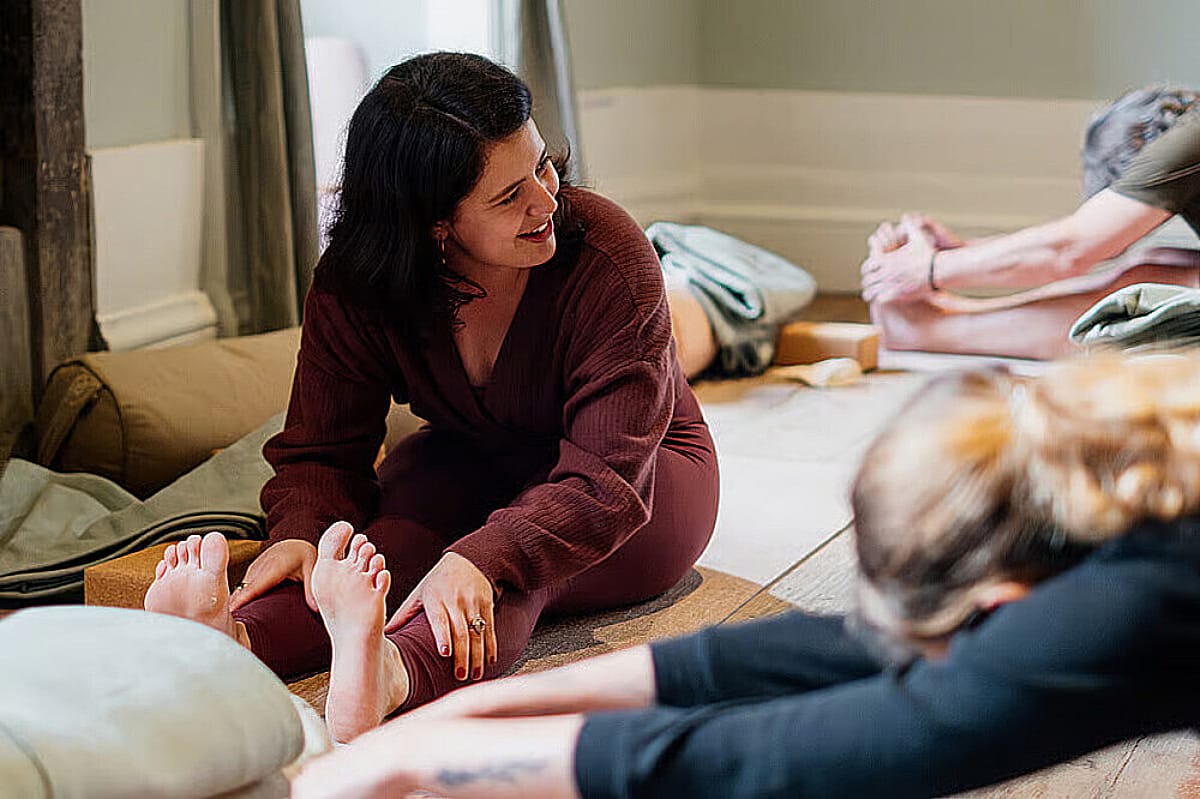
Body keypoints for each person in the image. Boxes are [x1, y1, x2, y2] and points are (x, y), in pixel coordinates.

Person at [290, 351, 1200, 798]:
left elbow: (753, 761)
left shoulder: (1123, 610)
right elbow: (821, 654)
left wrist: (416, 756)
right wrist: (461, 712)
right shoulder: (1113, 500)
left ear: (1004, 602)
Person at [142, 52, 719, 743]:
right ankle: (231, 645)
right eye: (509, 197)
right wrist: (301, 528)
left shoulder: (609, 255)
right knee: (366, 555)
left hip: (640, 481)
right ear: (433, 225)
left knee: (510, 573)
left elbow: (605, 482)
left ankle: (389, 672)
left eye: (542, 166)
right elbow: (323, 447)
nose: (546, 201)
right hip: (471, 457)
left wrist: (481, 554)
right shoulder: (359, 280)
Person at [863, 86, 1200, 359]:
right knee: (1159, 260)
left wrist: (931, 269)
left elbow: (1075, 249)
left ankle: (931, 329)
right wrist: (965, 253)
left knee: (1169, 287)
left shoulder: (1190, 137)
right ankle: (960, 314)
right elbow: (1100, 243)